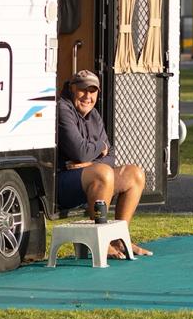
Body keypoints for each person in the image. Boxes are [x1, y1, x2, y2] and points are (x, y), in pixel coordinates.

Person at [54, 69, 152, 257]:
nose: (88, 96)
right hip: (61, 183)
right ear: (72, 88)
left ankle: (119, 240)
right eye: (83, 90)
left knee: (135, 174)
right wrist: (100, 148)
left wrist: (90, 162)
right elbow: (81, 152)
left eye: (93, 91)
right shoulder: (62, 108)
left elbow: (111, 155)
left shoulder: (94, 115)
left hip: (88, 177)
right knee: (103, 172)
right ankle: (101, 240)